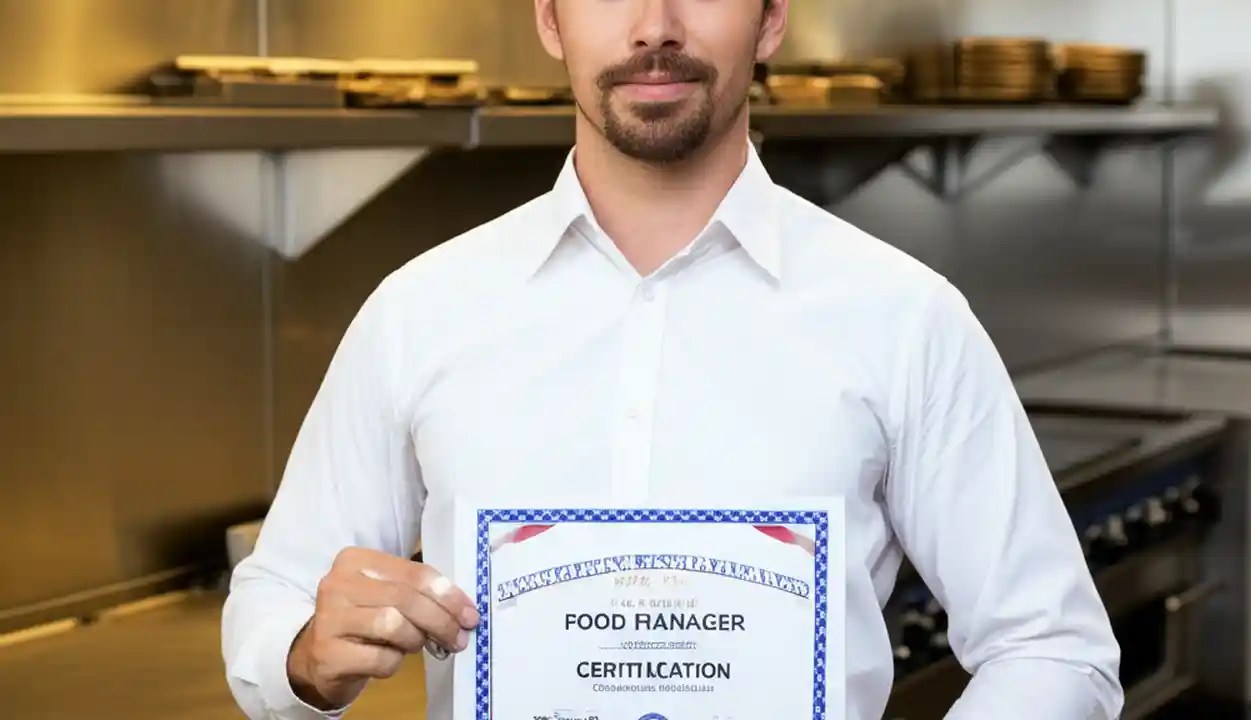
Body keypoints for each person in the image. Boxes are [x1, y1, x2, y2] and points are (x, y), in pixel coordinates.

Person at [222, 0, 1123, 718]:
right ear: (550, 19)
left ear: (771, 21)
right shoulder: (419, 310)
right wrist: (304, 657)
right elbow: (275, 599)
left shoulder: (908, 317)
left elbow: (1052, 649)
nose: (655, 26)